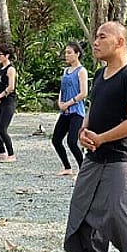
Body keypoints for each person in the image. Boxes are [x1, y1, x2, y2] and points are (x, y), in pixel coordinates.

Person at [64, 21, 127, 252]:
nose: (96, 41)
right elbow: (93, 108)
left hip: (121, 158)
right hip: (95, 154)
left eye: (103, 36)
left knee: (117, 212)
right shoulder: (101, 75)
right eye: (95, 37)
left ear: (120, 42)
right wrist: (84, 130)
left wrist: (102, 138)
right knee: (84, 204)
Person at [50, 42, 88, 176]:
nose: (66, 55)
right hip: (64, 111)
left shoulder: (81, 71)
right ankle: (67, 167)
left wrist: (69, 103)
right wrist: (61, 102)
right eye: (66, 52)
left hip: (76, 111)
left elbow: (84, 93)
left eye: (69, 52)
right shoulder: (66, 71)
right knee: (56, 140)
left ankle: (83, 169)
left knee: (72, 141)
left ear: (77, 54)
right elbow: (63, 88)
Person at [0, 43, 18, 162]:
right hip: (1, 102)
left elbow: (11, 87)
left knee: (2, 128)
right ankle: (2, 151)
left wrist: (0, 95)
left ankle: (11, 154)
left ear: (7, 55)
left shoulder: (10, 69)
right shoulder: (1, 70)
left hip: (9, 102)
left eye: (0, 54)